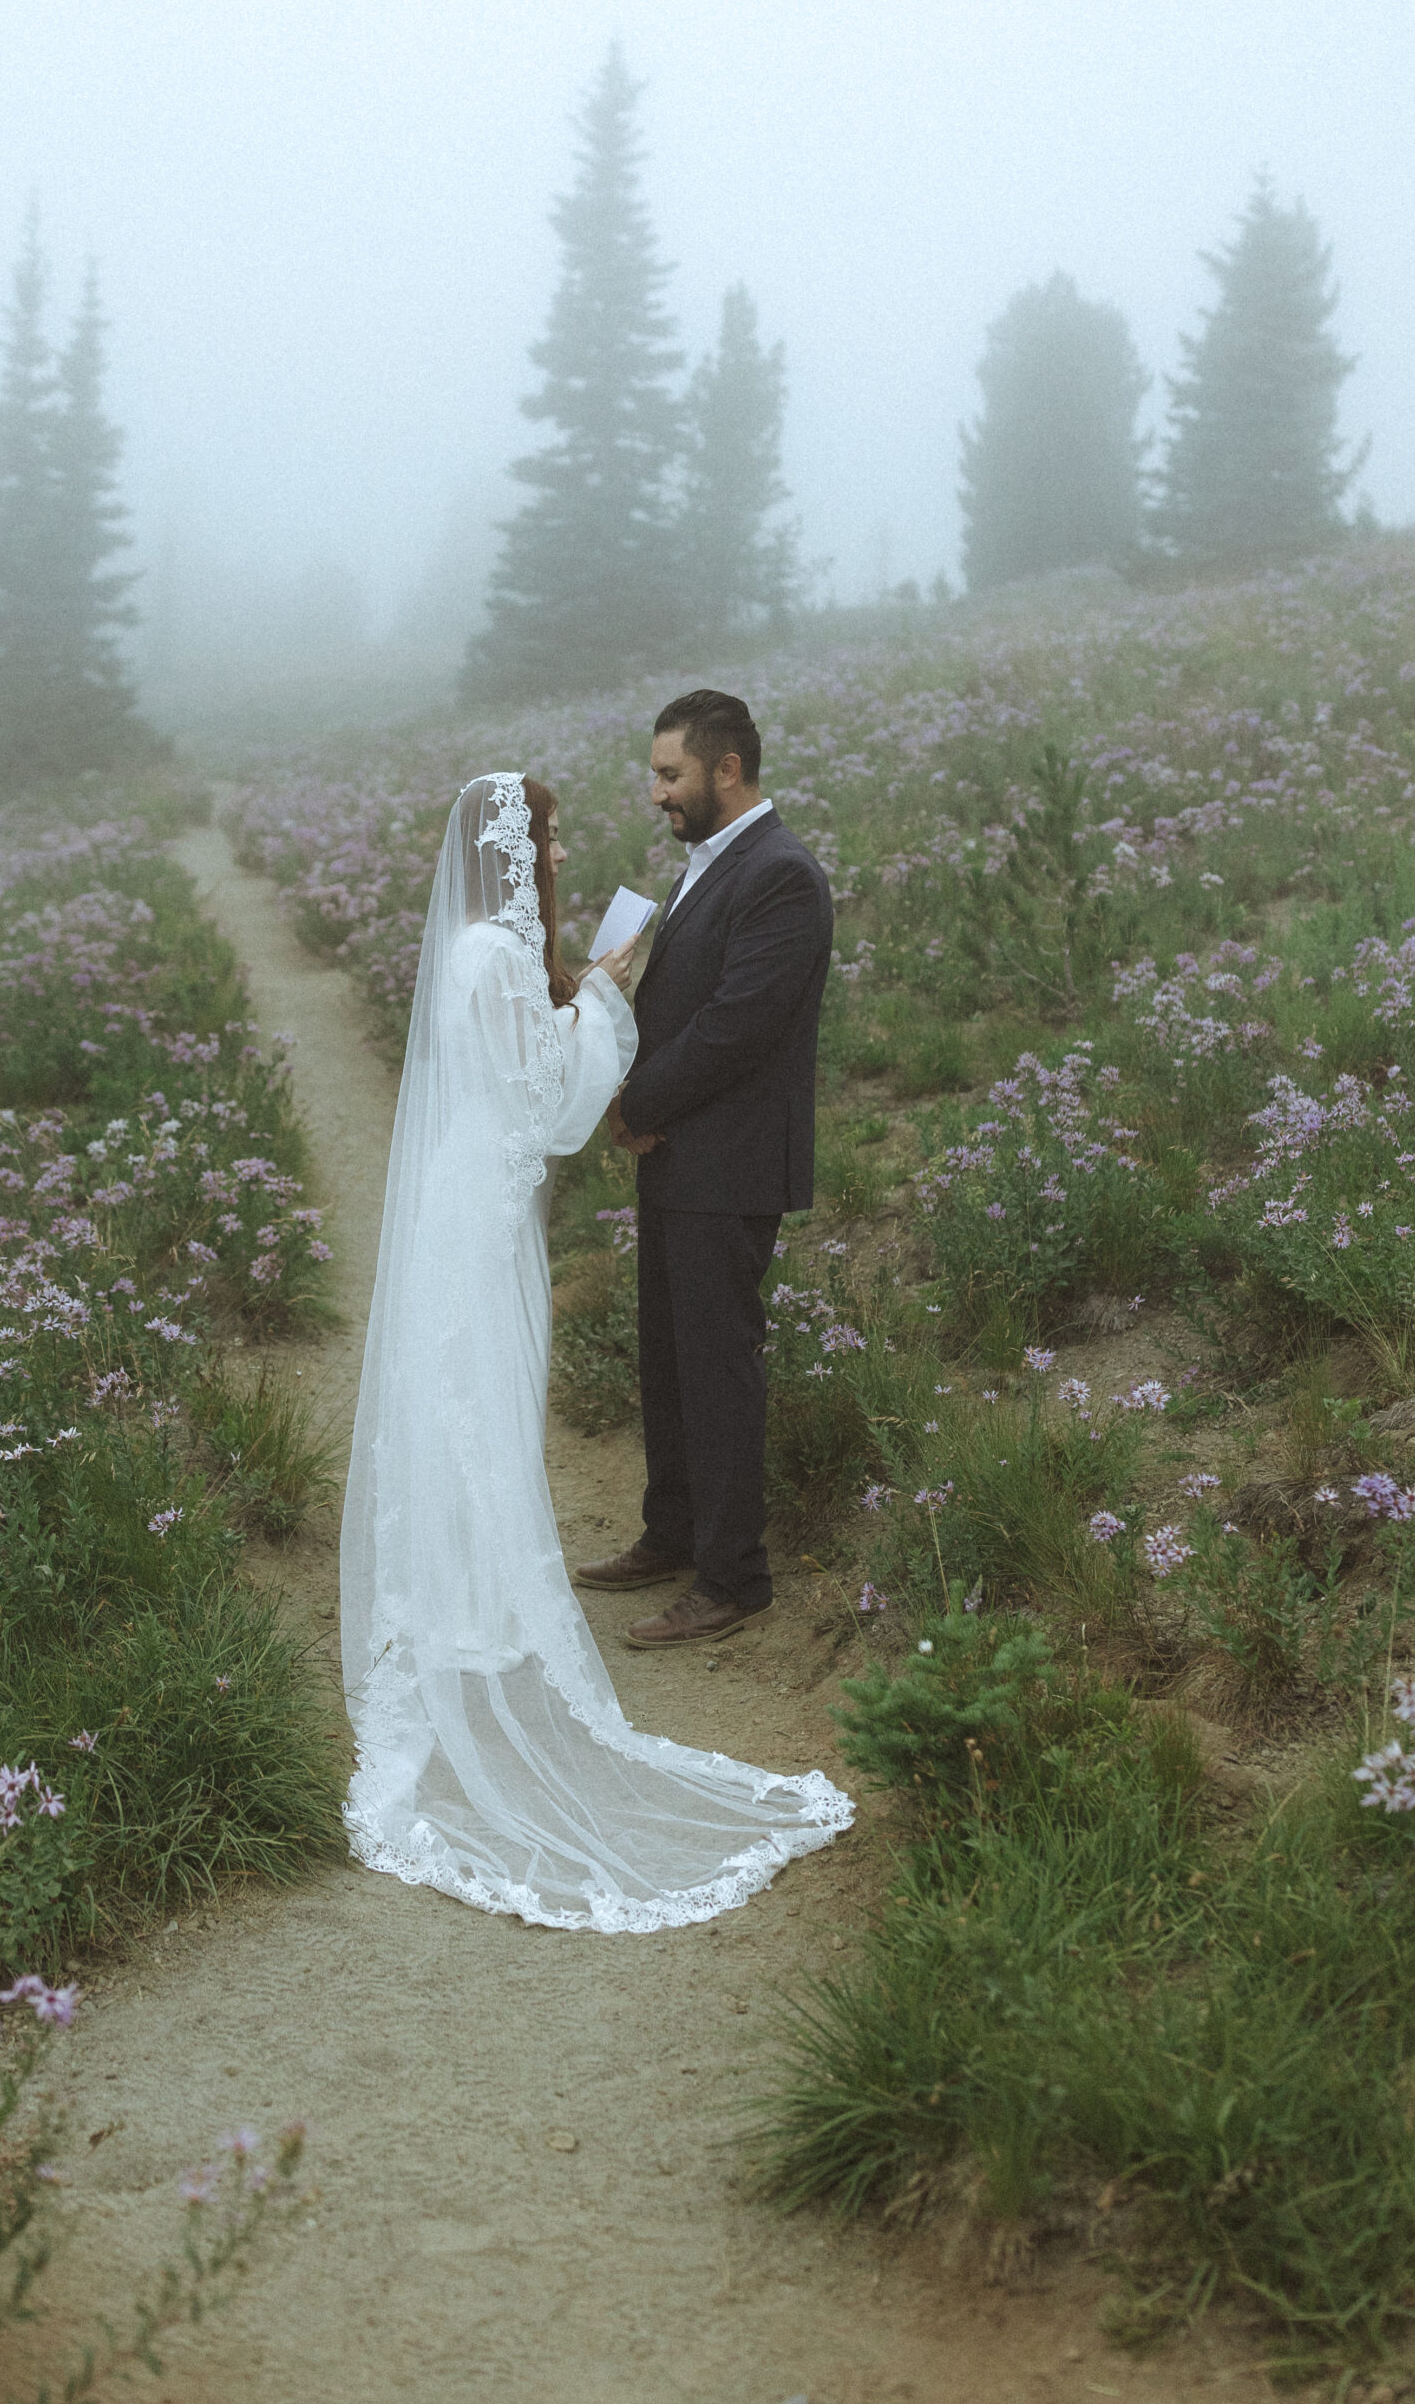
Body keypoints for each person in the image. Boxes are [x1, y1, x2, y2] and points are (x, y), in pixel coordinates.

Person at [339, 769, 850, 1931]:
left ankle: (464, 1600)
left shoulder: (477, 950)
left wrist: (582, 1005)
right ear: (510, 850)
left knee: (468, 1397)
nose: (560, 854)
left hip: (472, 1199)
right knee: (482, 1395)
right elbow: (549, 1110)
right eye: (549, 836)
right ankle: (479, 1610)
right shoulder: (492, 955)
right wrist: (608, 1002)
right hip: (486, 1205)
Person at [573, 689, 832, 1646]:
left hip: (731, 1167)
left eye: (670, 774)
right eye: (655, 773)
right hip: (684, 1156)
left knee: (719, 1368)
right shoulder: (708, 865)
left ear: (728, 770)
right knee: (670, 1358)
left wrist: (634, 1104)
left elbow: (736, 1027)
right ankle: (672, 1533)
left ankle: (734, 1576)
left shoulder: (782, 875)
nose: (656, 793)